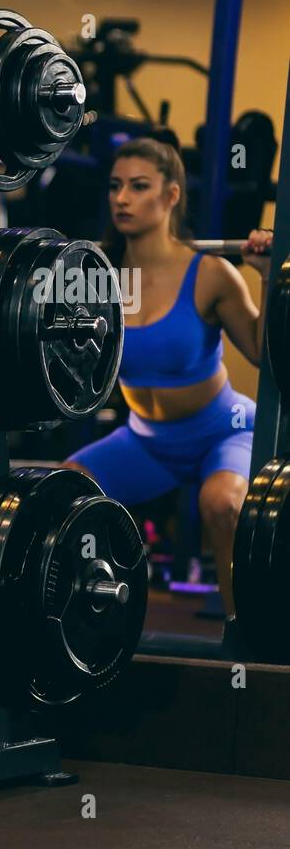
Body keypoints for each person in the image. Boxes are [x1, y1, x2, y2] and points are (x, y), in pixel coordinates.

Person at [63, 136, 272, 623]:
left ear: (171, 195)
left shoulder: (210, 274)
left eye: (139, 187)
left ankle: (247, 640)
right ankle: (88, 629)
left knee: (221, 504)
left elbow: (264, 353)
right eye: (116, 187)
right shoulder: (107, 278)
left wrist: (264, 273)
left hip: (223, 429)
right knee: (67, 490)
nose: (122, 198)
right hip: (147, 442)